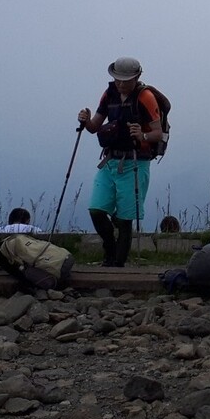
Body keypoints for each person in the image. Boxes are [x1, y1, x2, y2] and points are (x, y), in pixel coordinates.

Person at [78, 57, 164, 268]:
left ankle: (117, 263)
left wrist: (142, 136)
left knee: (126, 218)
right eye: (117, 79)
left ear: (137, 77)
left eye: (125, 80)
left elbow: (158, 133)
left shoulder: (146, 97)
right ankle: (110, 248)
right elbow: (94, 127)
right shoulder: (109, 94)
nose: (120, 83)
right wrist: (85, 120)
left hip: (136, 162)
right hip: (109, 160)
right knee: (96, 210)